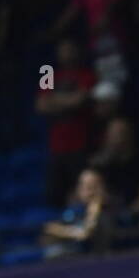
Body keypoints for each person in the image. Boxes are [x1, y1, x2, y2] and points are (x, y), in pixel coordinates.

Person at [35, 36, 97, 206]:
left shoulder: (87, 74)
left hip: (80, 144)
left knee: (82, 194)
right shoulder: (47, 73)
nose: (66, 53)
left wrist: (55, 101)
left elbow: (80, 100)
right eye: (63, 49)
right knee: (54, 196)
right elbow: (41, 105)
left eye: (70, 49)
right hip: (56, 147)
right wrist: (68, 102)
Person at [39, 166, 125, 256]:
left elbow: (86, 234)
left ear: (102, 187)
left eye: (92, 186)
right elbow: (45, 238)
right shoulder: (74, 210)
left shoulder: (110, 209)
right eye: (83, 186)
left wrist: (59, 231)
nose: (89, 192)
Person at [88, 116, 139, 217]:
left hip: (136, 214)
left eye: (120, 132)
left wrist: (129, 213)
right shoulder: (101, 163)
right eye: (113, 133)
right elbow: (94, 192)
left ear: (130, 135)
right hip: (106, 213)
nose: (116, 137)